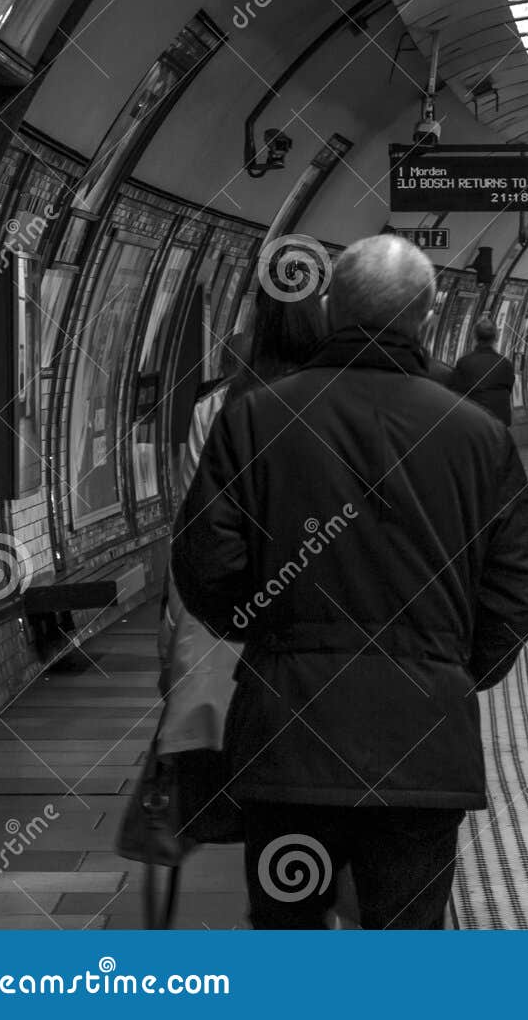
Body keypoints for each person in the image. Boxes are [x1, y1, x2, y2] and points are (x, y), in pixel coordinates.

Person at [171, 235, 528, 930]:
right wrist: (456, 667)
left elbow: (205, 565)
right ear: (429, 319)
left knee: (290, 940)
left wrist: (268, 640)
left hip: (288, 739)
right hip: (424, 750)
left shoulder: (255, 418)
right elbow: (521, 585)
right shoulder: (477, 435)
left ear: (331, 306)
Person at [155, 295, 326, 791]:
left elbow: (188, 530)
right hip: (316, 632)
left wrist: (171, 632)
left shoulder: (217, 408)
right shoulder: (338, 403)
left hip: (220, 632)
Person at [449, 314, 516, 425]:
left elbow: (456, 392)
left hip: (473, 421)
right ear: (496, 337)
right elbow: (509, 389)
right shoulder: (505, 364)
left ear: (475, 337)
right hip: (499, 422)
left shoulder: (464, 362)